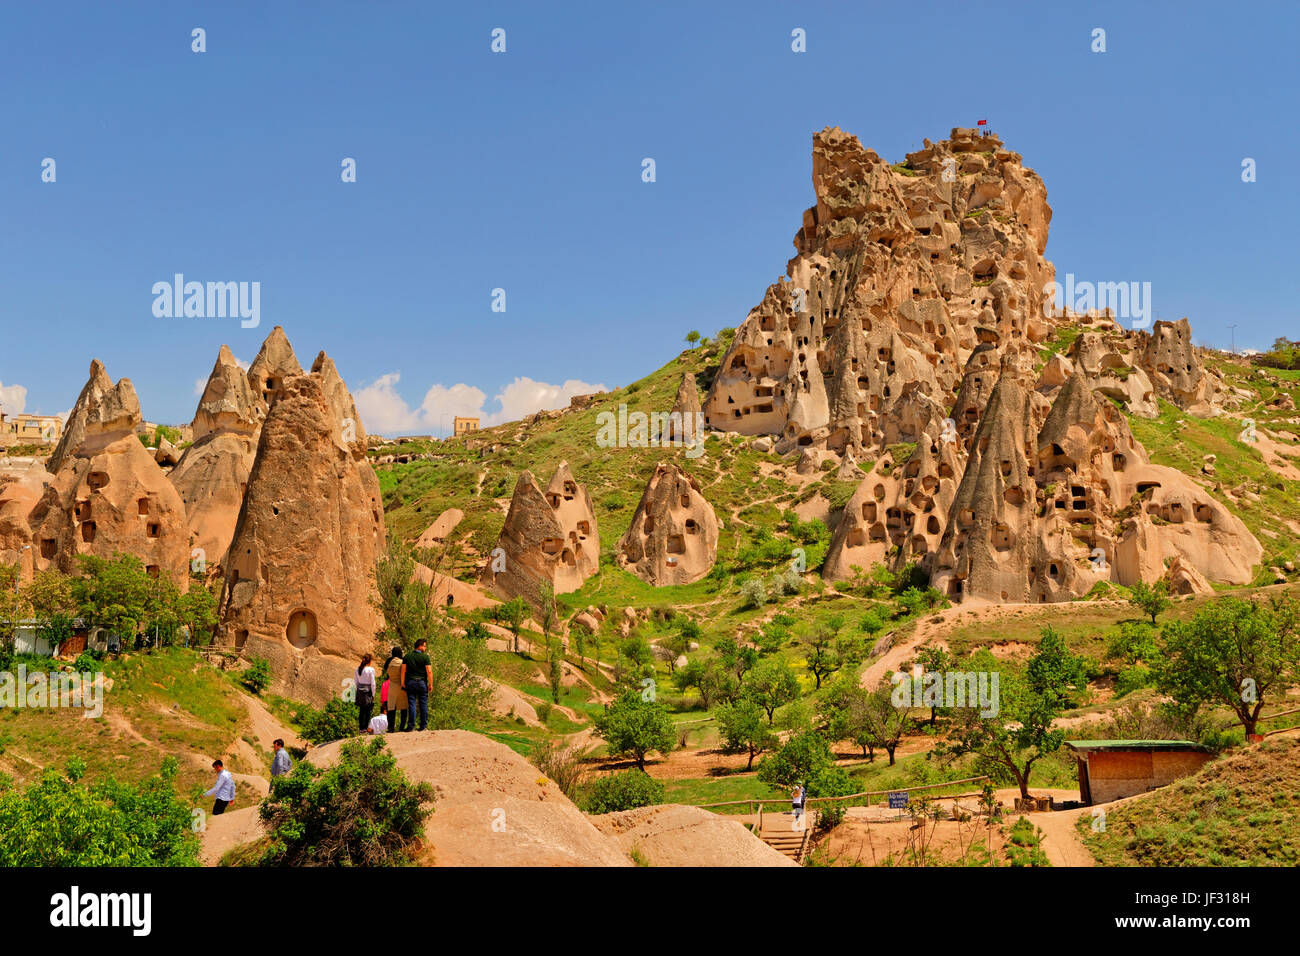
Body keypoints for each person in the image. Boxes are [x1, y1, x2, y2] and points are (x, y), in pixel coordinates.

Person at [400, 638, 432, 732]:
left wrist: (402, 682)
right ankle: (423, 726)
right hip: (422, 683)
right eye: (425, 646)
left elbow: (403, 671)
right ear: (420, 646)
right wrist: (430, 684)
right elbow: (429, 672)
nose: (425, 648)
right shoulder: (425, 657)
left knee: (412, 704)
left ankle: (411, 726)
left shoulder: (407, 657)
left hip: (410, 683)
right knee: (423, 704)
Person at [383, 646, 409, 733]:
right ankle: (402, 727)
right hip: (402, 685)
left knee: (391, 707)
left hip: (392, 686)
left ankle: (391, 728)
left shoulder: (388, 661)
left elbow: (385, 670)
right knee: (404, 706)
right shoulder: (402, 661)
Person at [355, 653, 376, 732]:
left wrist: (358, 692)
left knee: (361, 710)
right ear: (369, 661)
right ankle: (365, 727)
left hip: (360, 691)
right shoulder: (371, 670)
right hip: (368, 691)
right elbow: (373, 683)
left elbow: (355, 682)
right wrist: (373, 694)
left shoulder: (357, 669)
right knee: (368, 710)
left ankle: (361, 728)